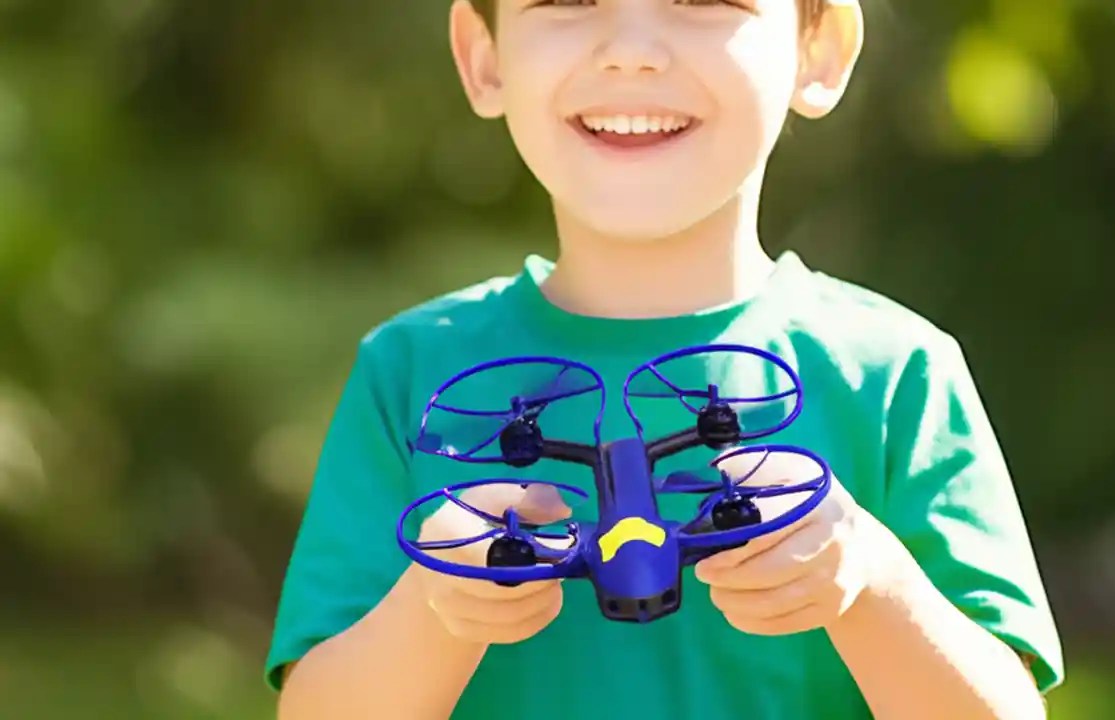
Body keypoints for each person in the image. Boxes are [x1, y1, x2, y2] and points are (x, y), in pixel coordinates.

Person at [266, 0, 1066, 717]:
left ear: (816, 49)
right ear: (484, 55)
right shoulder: (410, 372)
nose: (632, 49)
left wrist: (871, 584)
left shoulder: (893, 372)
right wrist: (432, 611)